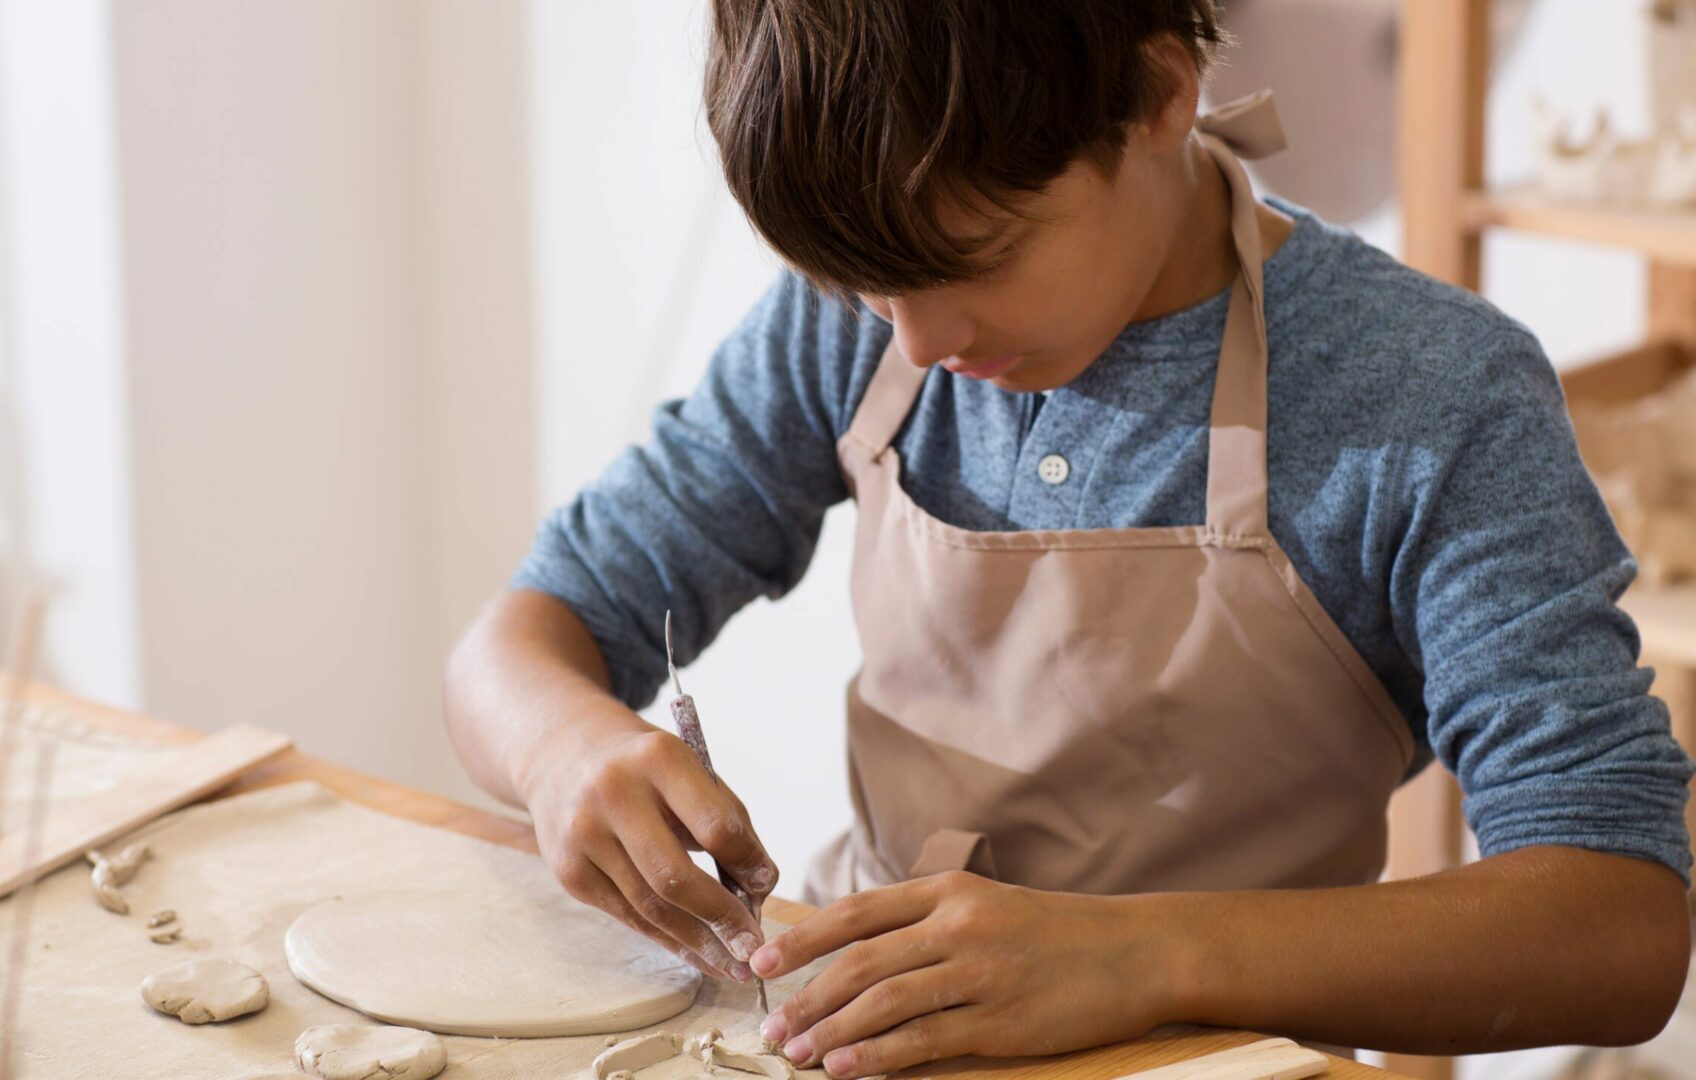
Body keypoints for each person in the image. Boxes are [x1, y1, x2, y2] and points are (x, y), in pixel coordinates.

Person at [443, 3, 1694, 1076]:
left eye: (969, 260)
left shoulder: (1426, 394)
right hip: (867, 1031)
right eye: (870, 287)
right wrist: (564, 751)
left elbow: (1621, 922)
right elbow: (519, 642)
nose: (919, 346)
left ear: (1157, 95)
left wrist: (1143, 956)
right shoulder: (859, 329)